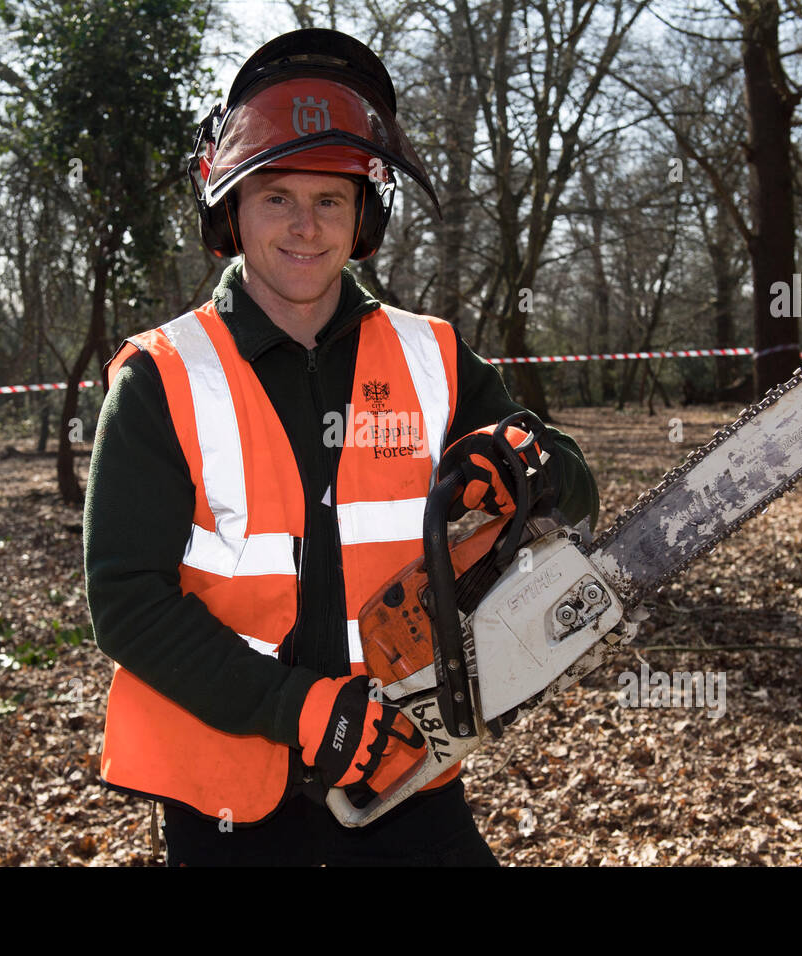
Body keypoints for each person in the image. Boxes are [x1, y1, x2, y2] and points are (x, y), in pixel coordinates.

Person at [83, 28, 598, 866]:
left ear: (364, 215)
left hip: (404, 769)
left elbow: (574, 484)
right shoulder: (163, 376)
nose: (304, 226)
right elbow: (126, 602)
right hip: (229, 792)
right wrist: (301, 710)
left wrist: (522, 471)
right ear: (231, 208)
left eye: (330, 199)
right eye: (277, 196)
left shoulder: (431, 356)